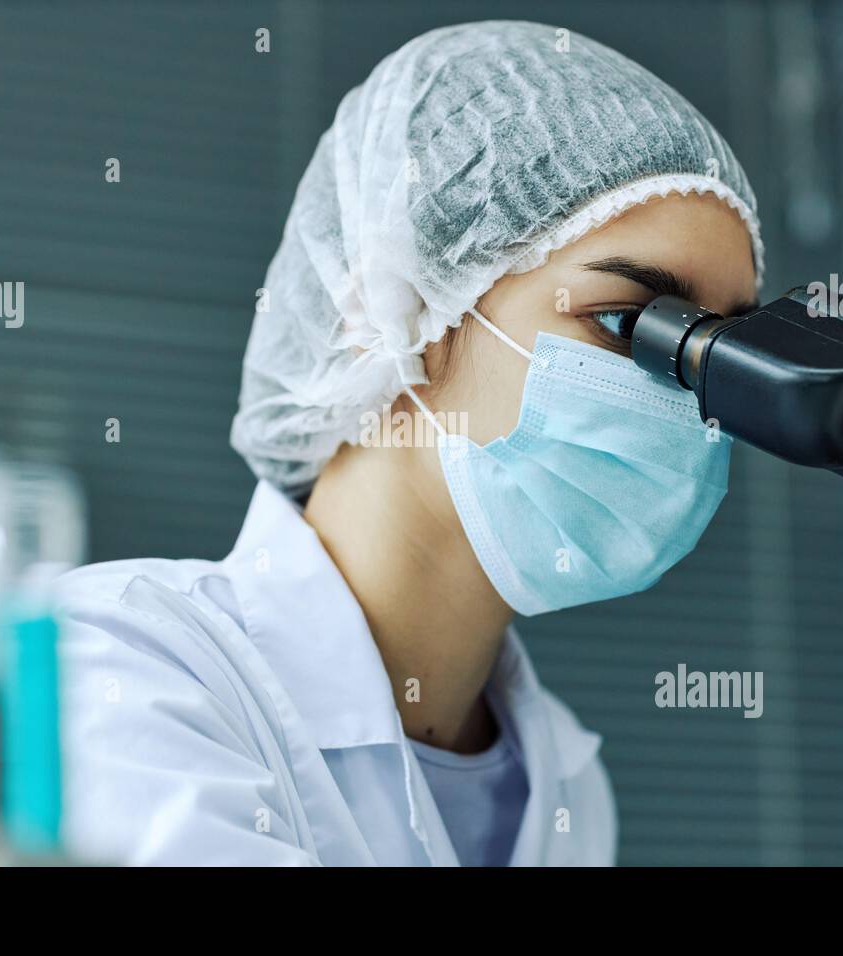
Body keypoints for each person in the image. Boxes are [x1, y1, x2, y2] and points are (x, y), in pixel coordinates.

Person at [55, 20, 763, 866]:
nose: (683, 396)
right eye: (626, 323)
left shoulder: (567, 780)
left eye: (715, 353)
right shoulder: (128, 669)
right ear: (394, 312)